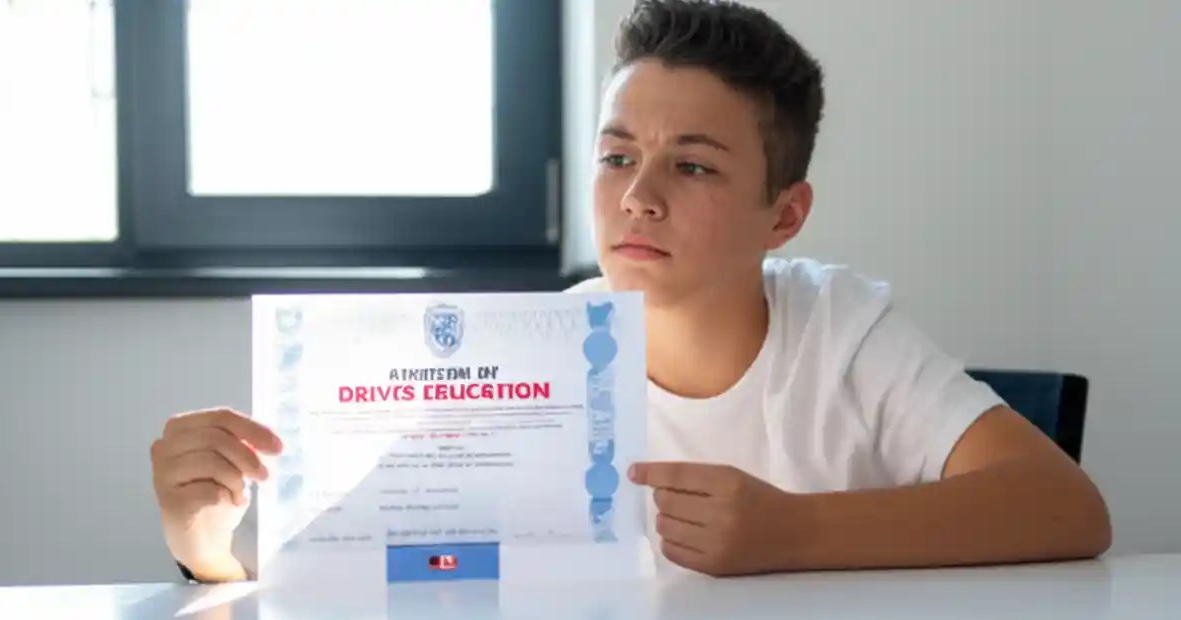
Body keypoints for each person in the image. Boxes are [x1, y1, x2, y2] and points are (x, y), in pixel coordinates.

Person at [151, 0, 1111, 583]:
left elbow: (1067, 508)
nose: (638, 197)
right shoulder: (525, 353)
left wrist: (797, 529)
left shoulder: (839, 330)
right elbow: (363, 582)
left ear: (783, 215)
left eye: (692, 168)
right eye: (617, 156)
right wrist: (209, 549)